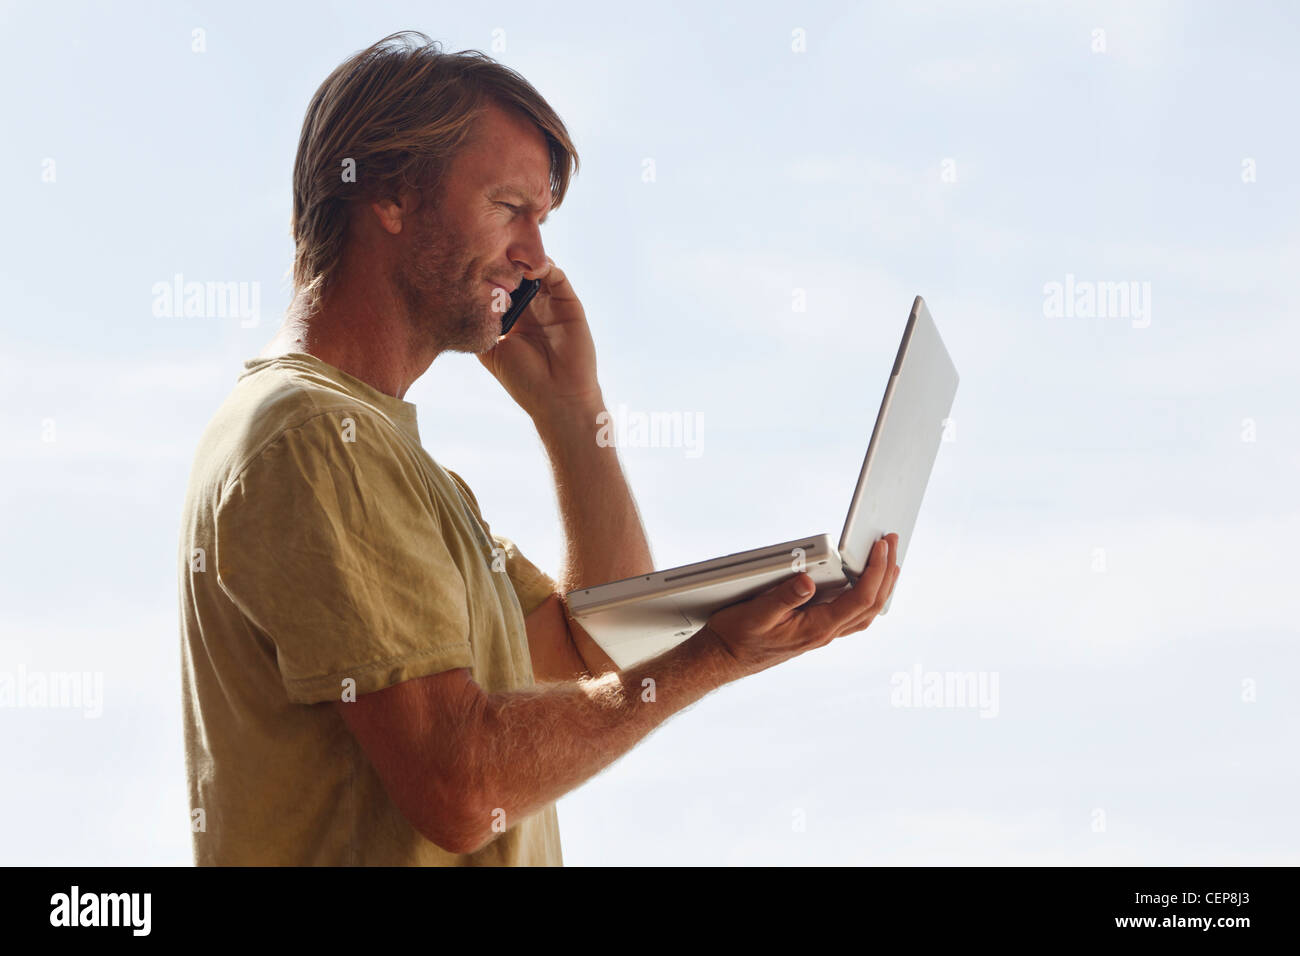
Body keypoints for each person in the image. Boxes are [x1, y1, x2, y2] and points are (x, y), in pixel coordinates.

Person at [177, 31, 900, 866]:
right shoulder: (312, 436)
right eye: (507, 207)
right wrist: (716, 656)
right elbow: (461, 787)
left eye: (542, 220)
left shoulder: (384, 456)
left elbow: (598, 649)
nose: (536, 256)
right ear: (387, 195)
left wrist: (572, 415)